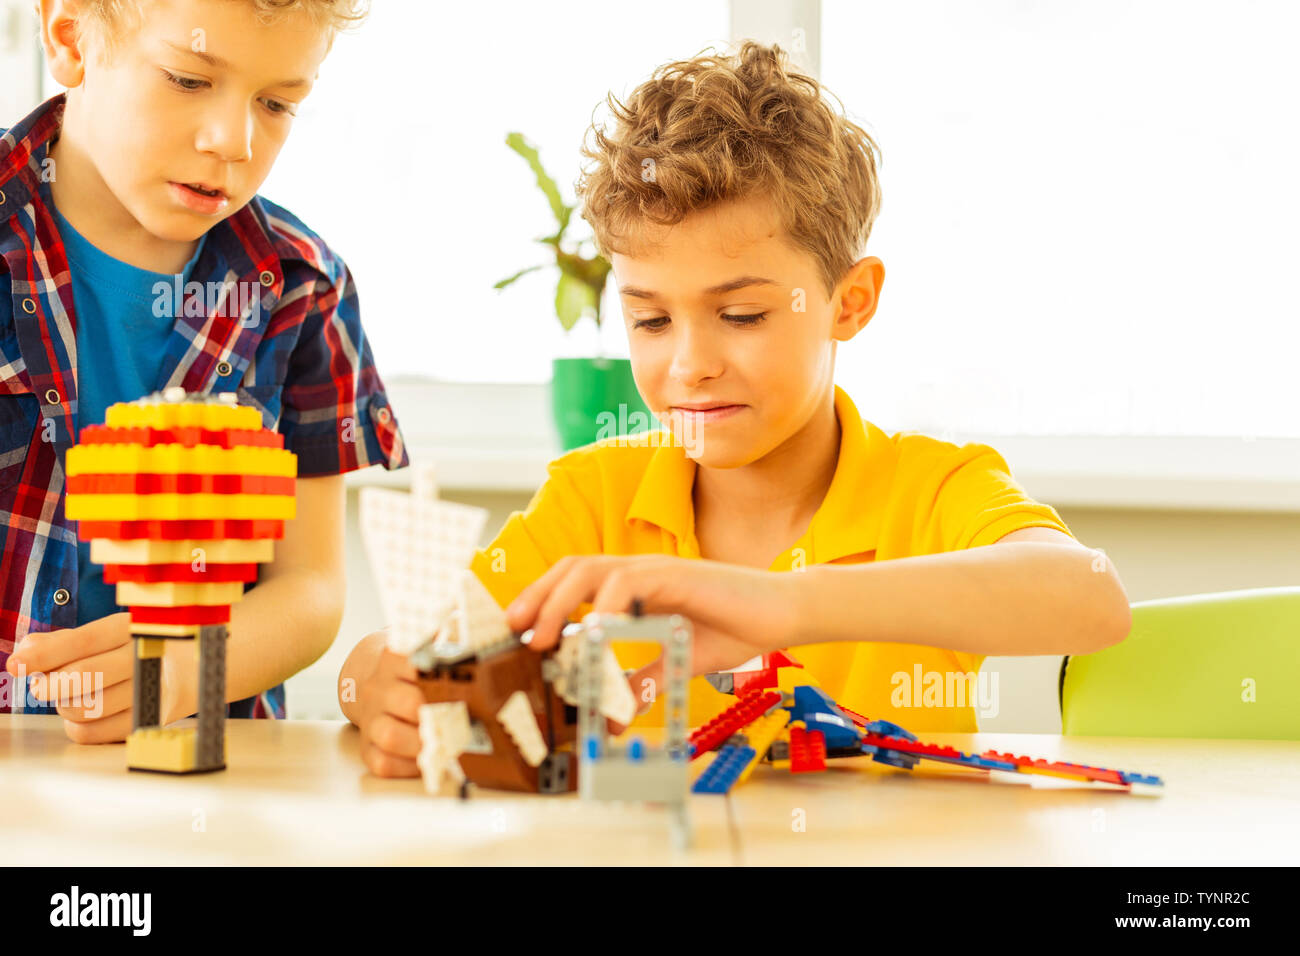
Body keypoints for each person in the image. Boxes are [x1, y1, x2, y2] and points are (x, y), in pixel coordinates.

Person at [341, 42, 1129, 778]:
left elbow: (1090, 598)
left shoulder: (928, 491)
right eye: (651, 320)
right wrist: (370, 685)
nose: (689, 364)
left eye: (743, 316)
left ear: (849, 303)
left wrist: (778, 605)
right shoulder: (593, 501)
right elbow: (415, 653)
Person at [0, 0, 406, 740]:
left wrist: (185, 669)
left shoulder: (300, 286)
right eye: (188, 79)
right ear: (69, 38)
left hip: (207, 769)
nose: (233, 140)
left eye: (278, 102)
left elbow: (309, 586)